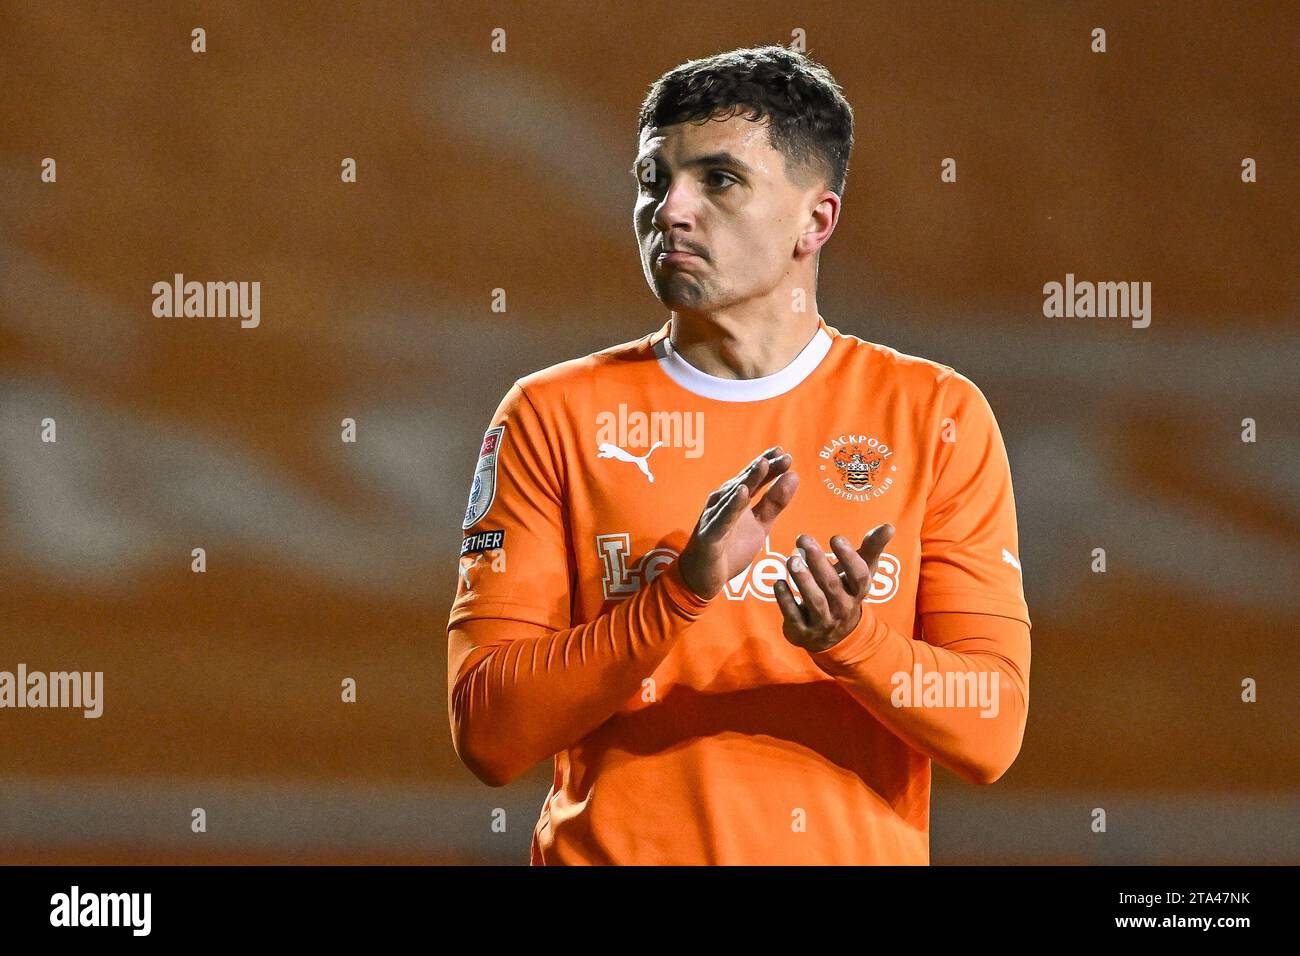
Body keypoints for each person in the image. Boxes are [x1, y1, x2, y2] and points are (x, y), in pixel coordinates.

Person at [446, 44, 1031, 865]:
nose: (671, 210)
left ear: (815, 221)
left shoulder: (934, 415)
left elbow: (991, 731)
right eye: (654, 180)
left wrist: (850, 640)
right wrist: (678, 594)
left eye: (718, 180)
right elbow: (490, 734)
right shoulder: (552, 415)